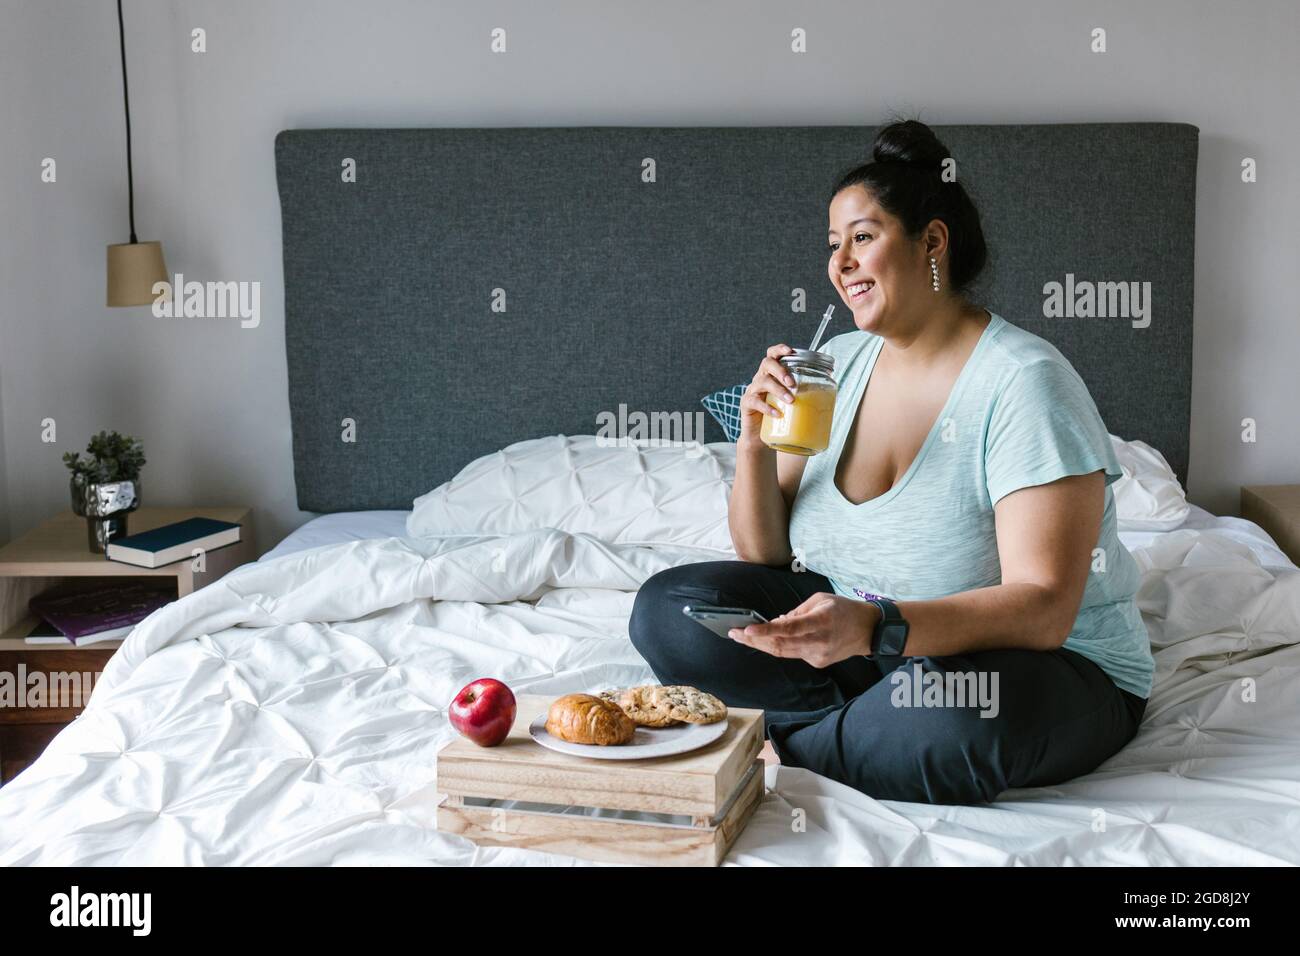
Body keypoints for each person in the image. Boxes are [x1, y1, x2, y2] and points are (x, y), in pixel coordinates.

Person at [628, 119, 1153, 805]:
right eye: (832, 245)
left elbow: (1044, 610)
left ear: (932, 241)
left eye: (863, 237)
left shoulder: (1024, 381)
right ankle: (854, 734)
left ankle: (792, 744)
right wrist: (754, 441)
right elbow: (764, 552)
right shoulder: (835, 367)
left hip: (1039, 665)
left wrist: (881, 625)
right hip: (866, 651)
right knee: (669, 609)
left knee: (953, 713)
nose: (840, 263)